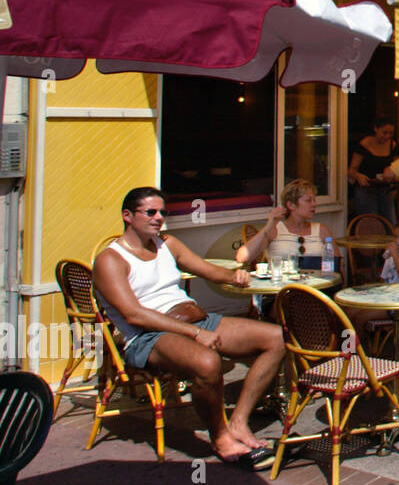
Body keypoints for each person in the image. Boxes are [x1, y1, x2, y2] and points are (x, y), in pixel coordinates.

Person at [94, 187, 285, 469]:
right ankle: (220, 437)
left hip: (195, 318)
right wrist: (195, 334)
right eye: (150, 212)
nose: (158, 218)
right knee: (208, 364)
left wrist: (237, 276)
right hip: (149, 336)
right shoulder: (110, 260)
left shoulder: (167, 244)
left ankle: (239, 422)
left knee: (278, 338)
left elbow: (207, 270)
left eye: (163, 212)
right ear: (127, 216)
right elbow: (134, 315)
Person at [238, 178, 339, 271]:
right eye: (308, 200)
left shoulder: (322, 230)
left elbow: (338, 266)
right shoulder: (275, 230)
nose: (314, 204)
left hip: (316, 288)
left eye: (314, 200)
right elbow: (241, 258)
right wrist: (269, 226)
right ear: (291, 205)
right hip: (282, 287)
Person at [348, 217, 399, 329]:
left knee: (360, 318)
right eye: (395, 237)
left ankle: (357, 346)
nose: (397, 241)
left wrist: (395, 254)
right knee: (349, 312)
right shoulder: (392, 255)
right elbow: (383, 280)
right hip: (386, 300)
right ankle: (346, 345)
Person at [348, 116, 398, 224]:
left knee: (390, 222)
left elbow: (396, 166)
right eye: (384, 133)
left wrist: (393, 183)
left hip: (385, 188)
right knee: (370, 223)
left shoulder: (392, 145)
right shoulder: (364, 144)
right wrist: (358, 176)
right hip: (366, 189)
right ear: (376, 129)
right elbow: (351, 169)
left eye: (391, 133)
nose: (387, 136)